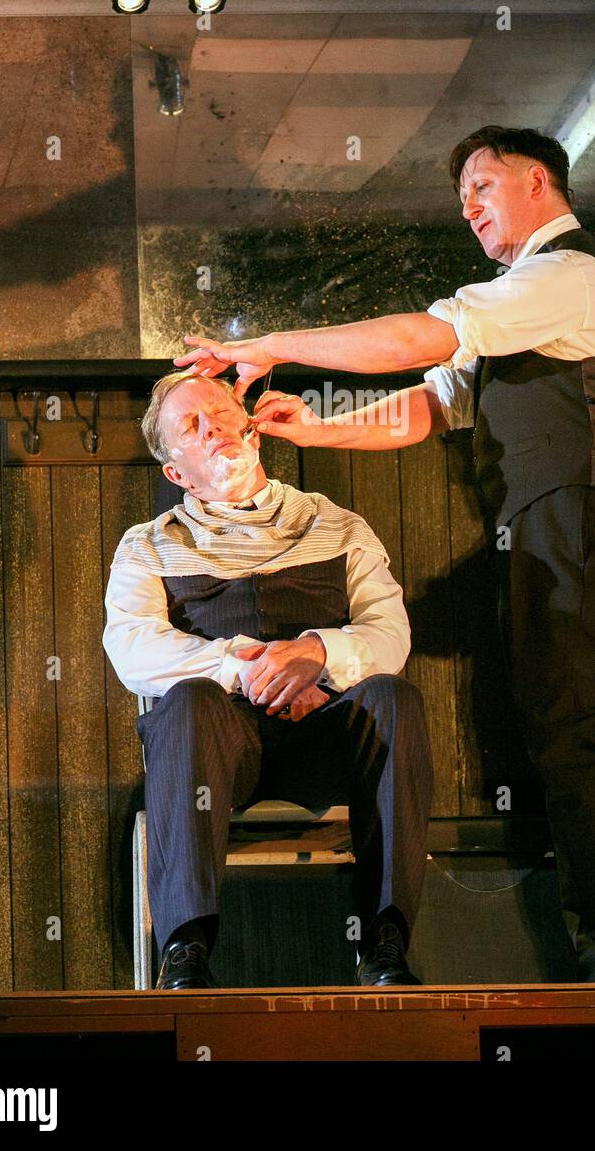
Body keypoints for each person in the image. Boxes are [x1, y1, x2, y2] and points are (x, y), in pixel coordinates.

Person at [175, 125, 595, 983]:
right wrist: (321, 425)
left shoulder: (566, 276)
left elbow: (422, 338)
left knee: (579, 737)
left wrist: (272, 345)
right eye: (461, 200)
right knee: (580, 737)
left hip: (593, 525)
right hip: (552, 534)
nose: (470, 209)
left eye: (482, 187)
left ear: (537, 181)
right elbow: (423, 408)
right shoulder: (518, 308)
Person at [103, 370, 434, 990]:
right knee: (188, 703)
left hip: (323, 736)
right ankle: (187, 955)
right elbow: (130, 647)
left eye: (222, 414)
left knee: (393, 697)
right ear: (176, 471)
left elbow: (390, 632)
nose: (213, 431)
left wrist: (318, 652)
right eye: (192, 427)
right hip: (224, 749)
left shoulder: (336, 523)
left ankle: (384, 946)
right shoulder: (147, 545)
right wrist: (243, 667)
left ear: (252, 428)